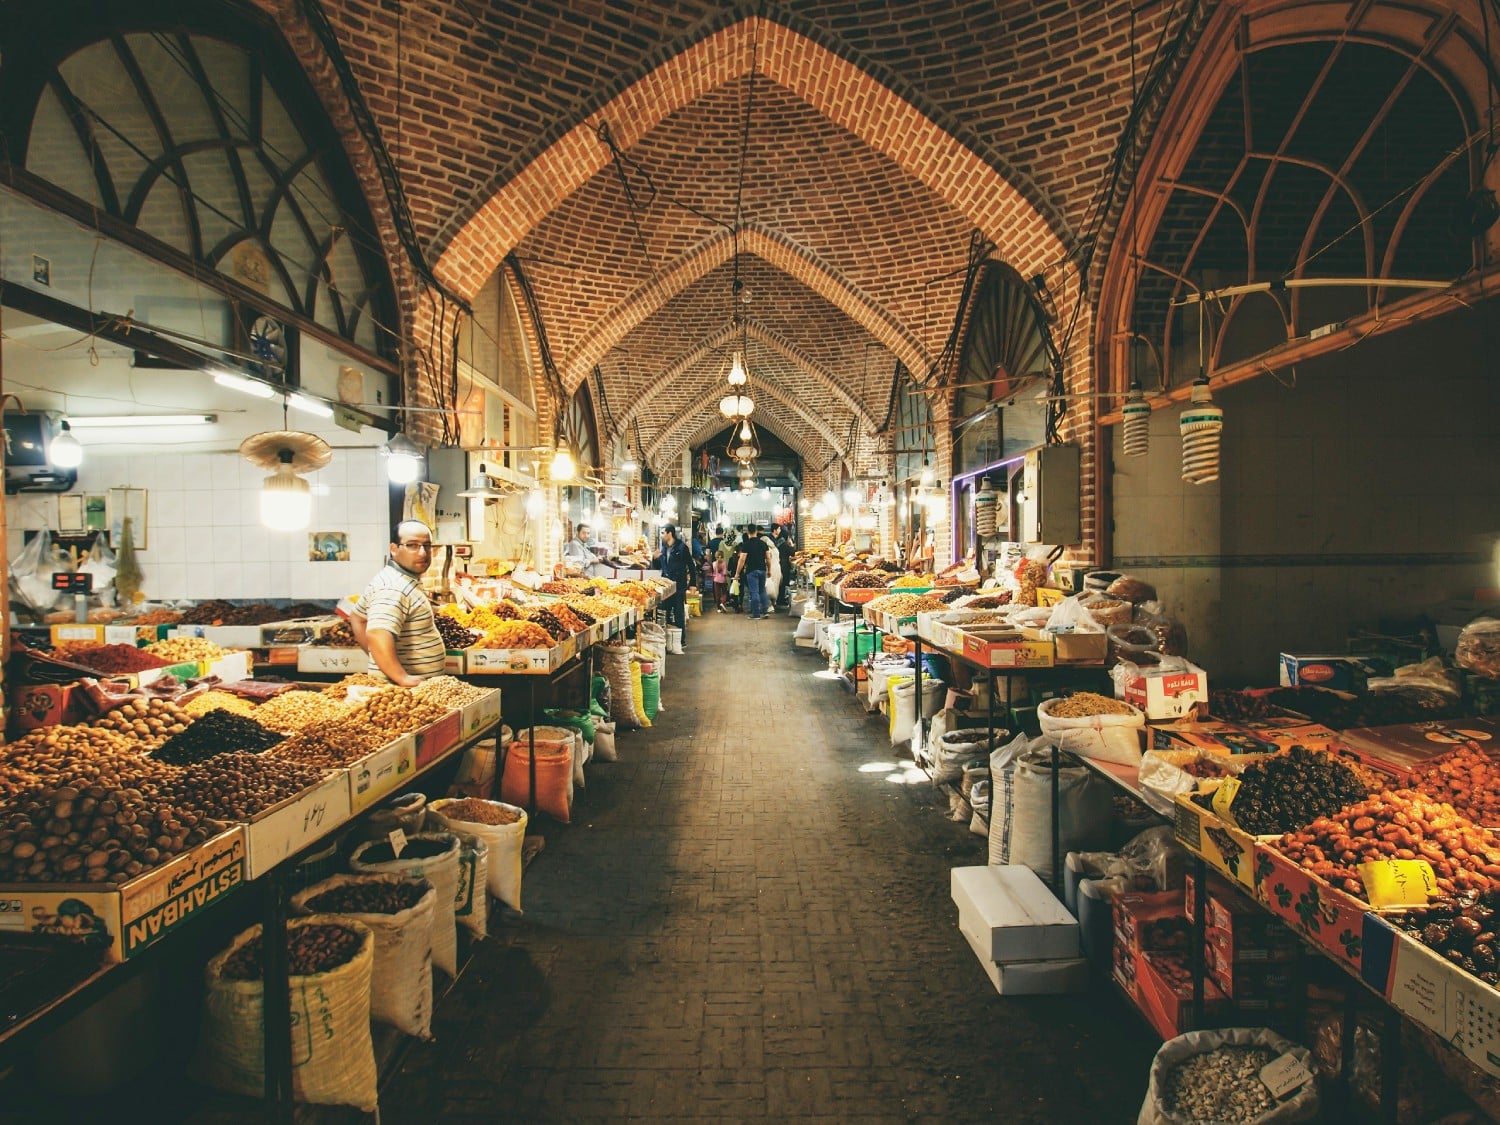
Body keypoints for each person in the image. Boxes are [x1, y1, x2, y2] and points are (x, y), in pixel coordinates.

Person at [358, 520, 446, 687]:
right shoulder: (393, 587)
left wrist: (375, 656)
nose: (422, 553)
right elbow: (377, 633)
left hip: (411, 689)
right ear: (394, 549)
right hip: (402, 693)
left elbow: (358, 618)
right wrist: (401, 677)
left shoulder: (396, 579)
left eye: (427, 546)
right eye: (412, 545)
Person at [652, 524, 693, 649]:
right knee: (665, 612)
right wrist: (654, 559)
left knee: (679, 613)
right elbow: (658, 567)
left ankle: (681, 641)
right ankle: (667, 641)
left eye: (663, 533)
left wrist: (693, 584)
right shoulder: (663, 549)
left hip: (678, 585)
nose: (662, 535)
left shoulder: (682, 547)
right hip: (666, 587)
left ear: (670, 533)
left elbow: (691, 565)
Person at [734, 524, 771, 619]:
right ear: (756, 531)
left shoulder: (746, 544)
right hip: (762, 570)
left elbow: (742, 560)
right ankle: (765, 611)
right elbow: (768, 558)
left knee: (754, 592)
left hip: (751, 571)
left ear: (748, 532)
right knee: (762, 591)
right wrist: (769, 570)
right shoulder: (763, 543)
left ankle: (756, 614)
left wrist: (737, 573)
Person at [769, 524, 795, 610]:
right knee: (782, 583)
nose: (779, 530)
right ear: (775, 530)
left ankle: (774, 600)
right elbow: (791, 552)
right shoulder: (781, 541)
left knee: (774, 584)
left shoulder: (769, 540)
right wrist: (791, 544)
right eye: (779, 529)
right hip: (781, 565)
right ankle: (779, 600)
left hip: (772, 565)